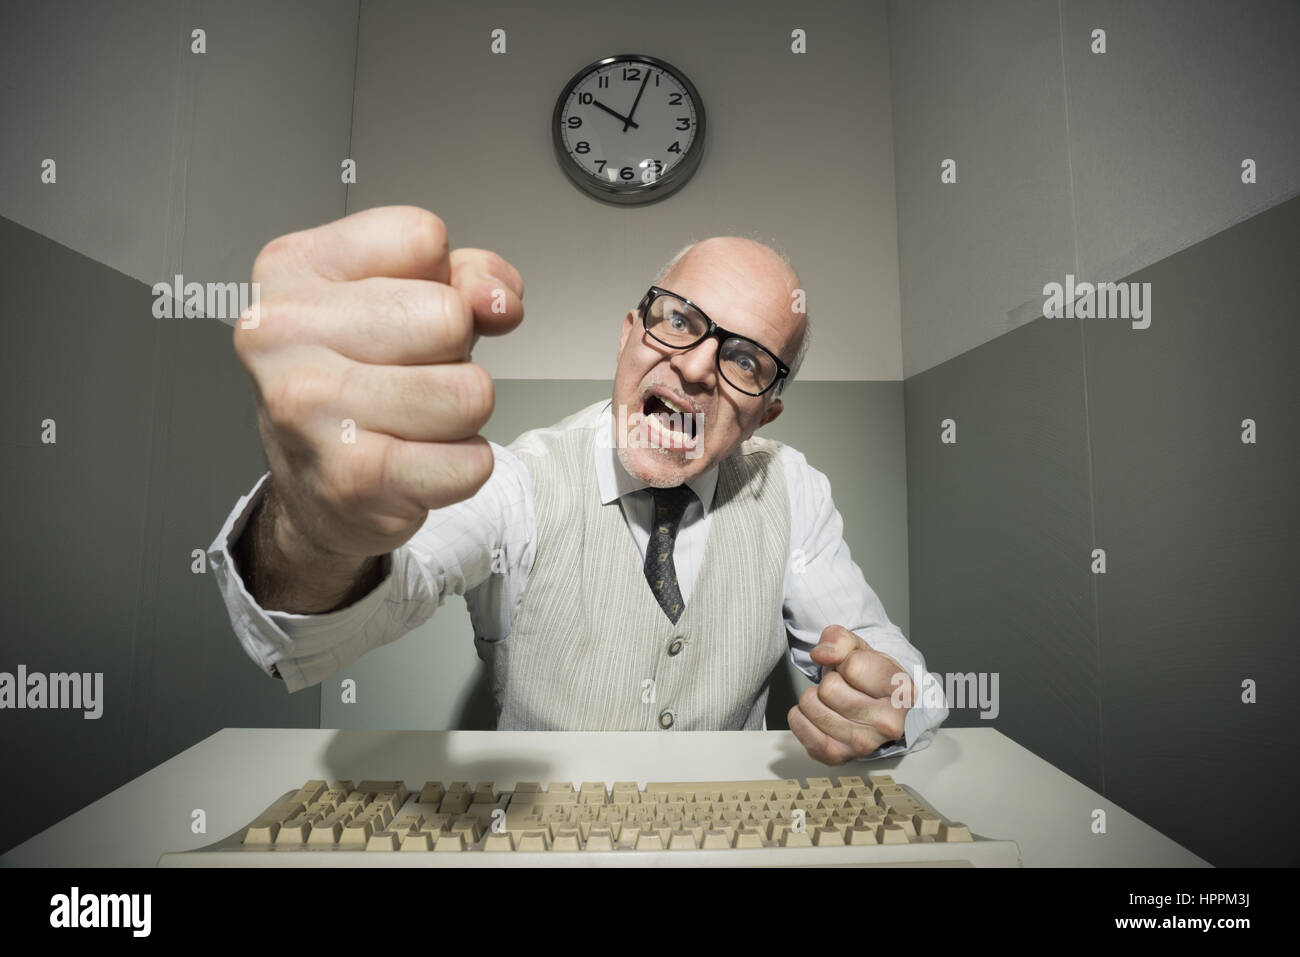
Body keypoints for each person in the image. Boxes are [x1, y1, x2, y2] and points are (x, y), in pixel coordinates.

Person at [208, 205, 948, 763]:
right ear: (629, 331)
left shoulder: (791, 488)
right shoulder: (517, 480)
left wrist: (892, 697)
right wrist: (312, 529)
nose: (694, 367)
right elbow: (324, 625)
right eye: (679, 320)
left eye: (746, 360)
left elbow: (883, 657)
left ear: (763, 413)